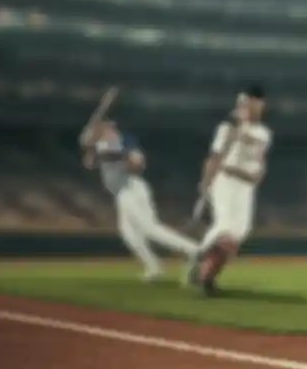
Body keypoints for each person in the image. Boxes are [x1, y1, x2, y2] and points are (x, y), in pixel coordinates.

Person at [79, 119, 198, 281]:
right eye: (105, 130)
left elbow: (137, 164)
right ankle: (154, 267)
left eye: (110, 129)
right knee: (129, 234)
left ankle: (194, 250)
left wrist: (96, 149)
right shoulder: (103, 147)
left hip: (132, 189)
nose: (109, 132)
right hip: (122, 194)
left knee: (149, 228)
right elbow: (90, 163)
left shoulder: (124, 144)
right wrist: (89, 147)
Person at [186, 85, 272, 295]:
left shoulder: (263, 133)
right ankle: (200, 255)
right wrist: (205, 182)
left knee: (239, 232)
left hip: (246, 185)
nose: (256, 107)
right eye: (252, 102)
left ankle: (208, 274)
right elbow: (215, 157)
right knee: (225, 225)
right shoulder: (226, 128)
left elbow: (258, 155)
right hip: (226, 180)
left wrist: (259, 172)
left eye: (259, 103)